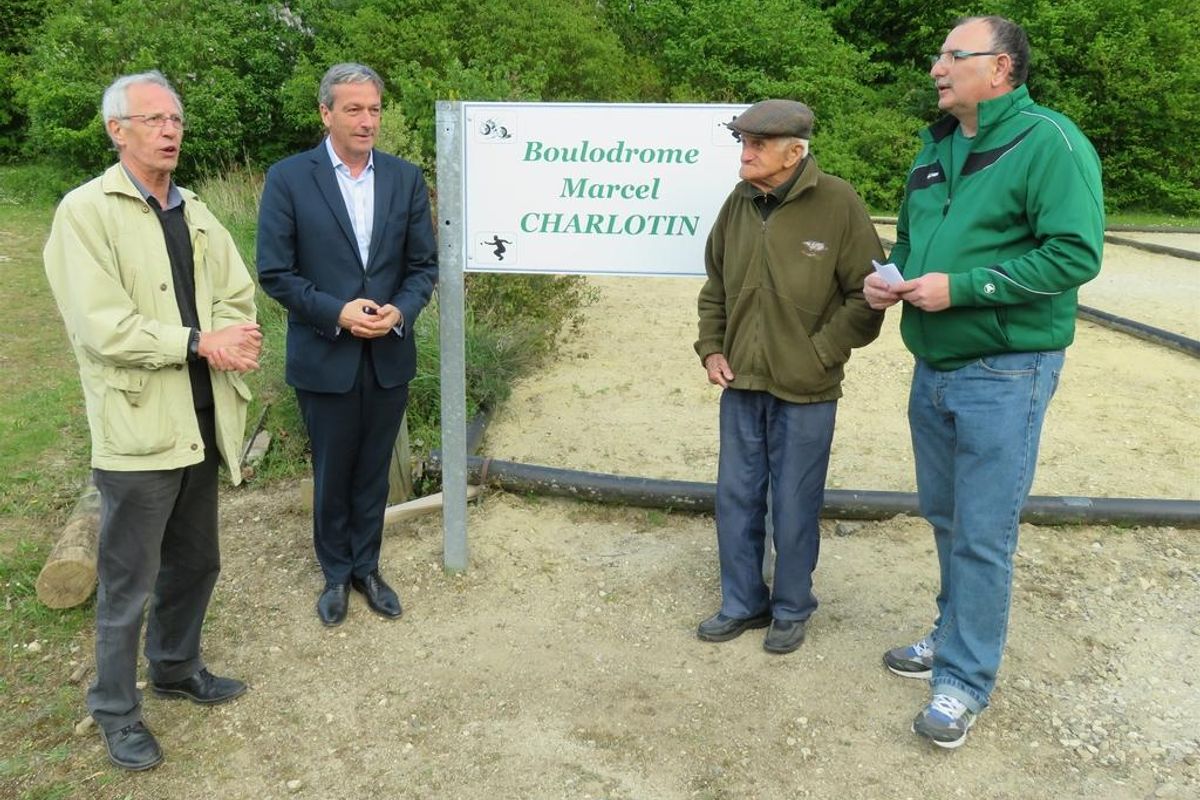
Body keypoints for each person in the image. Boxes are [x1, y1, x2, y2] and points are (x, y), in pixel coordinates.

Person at [864, 15, 1104, 748]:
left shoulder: (1048, 143)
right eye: (937, 55)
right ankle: (951, 631)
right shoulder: (936, 146)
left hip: (1007, 369)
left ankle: (964, 681)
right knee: (945, 515)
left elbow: (1075, 254)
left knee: (983, 531)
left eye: (951, 56)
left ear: (999, 69)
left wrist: (965, 288)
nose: (936, 67)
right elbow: (911, 236)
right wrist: (894, 279)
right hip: (933, 363)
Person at [43, 71, 261, 771]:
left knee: (198, 561)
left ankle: (175, 667)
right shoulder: (85, 212)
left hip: (201, 418)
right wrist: (200, 342)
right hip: (138, 429)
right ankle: (114, 709)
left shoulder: (194, 209)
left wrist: (235, 331)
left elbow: (234, 290)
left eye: (176, 120)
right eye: (154, 119)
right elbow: (101, 327)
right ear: (118, 130)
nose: (170, 131)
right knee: (128, 578)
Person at [695, 99, 884, 654]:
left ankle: (792, 608)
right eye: (742, 142)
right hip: (742, 382)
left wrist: (820, 352)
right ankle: (742, 602)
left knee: (796, 502)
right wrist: (710, 349)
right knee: (736, 496)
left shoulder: (838, 202)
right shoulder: (739, 202)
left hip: (807, 388)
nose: (744, 153)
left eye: (757, 144)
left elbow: (866, 296)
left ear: (794, 152)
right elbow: (714, 286)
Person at [256, 63, 438, 626]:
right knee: (334, 469)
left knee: (373, 468)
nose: (367, 121)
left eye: (375, 109)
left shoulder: (405, 178)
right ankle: (335, 574)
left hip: (387, 354)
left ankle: (368, 567)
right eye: (354, 109)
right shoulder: (289, 177)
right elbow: (275, 272)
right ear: (326, 113)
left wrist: (399, 312)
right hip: (325, 354)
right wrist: (336, 311)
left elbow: (422, 267)